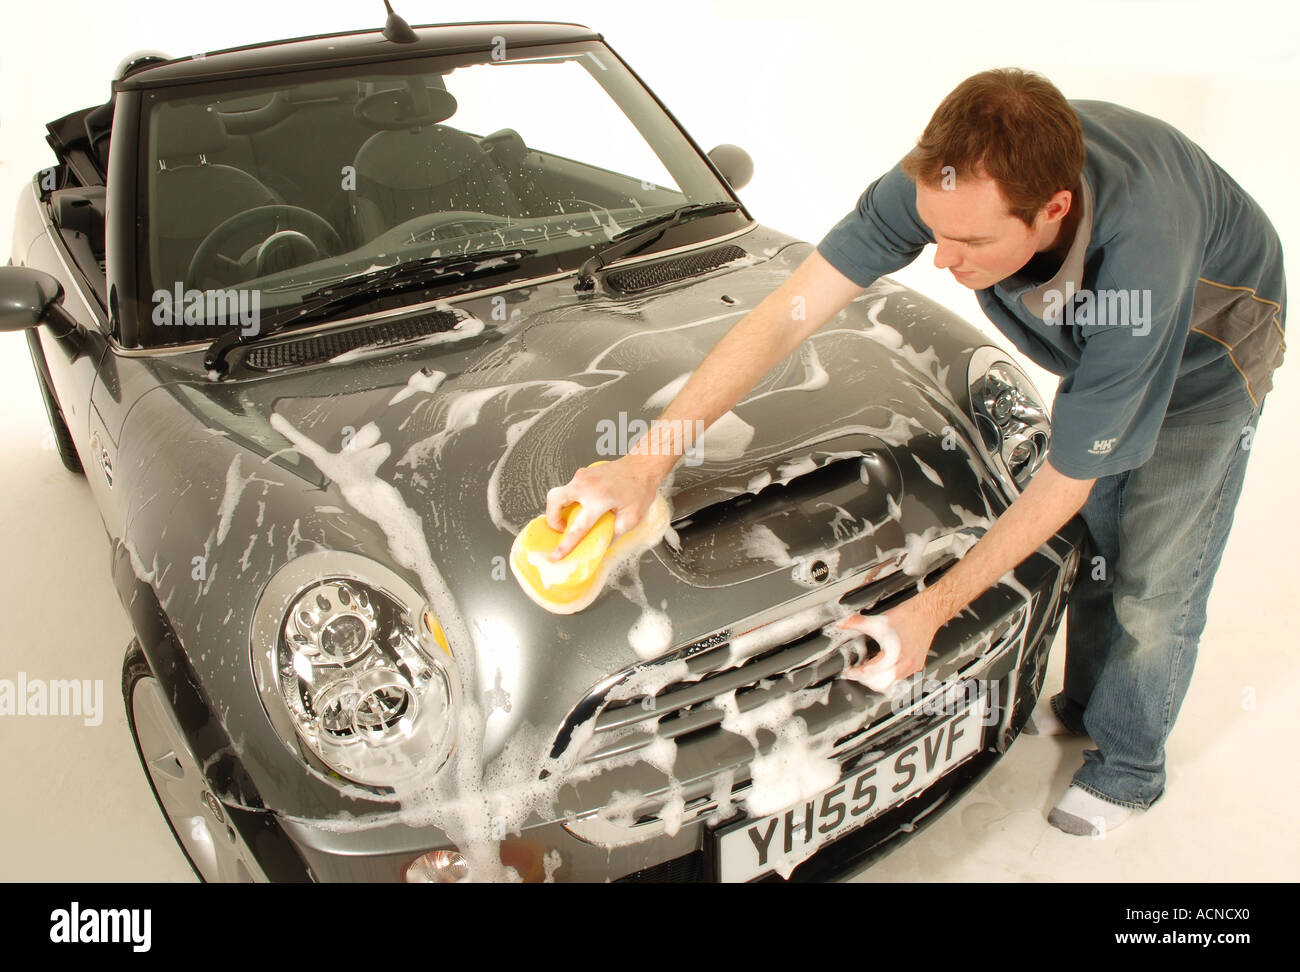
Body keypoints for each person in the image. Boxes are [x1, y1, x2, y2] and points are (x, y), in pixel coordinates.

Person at [543, 68, 1286, 837]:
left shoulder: (1142, 261)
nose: (941, 259)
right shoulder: (948, 184)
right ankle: (1085, 705)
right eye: (935, 230)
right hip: (1104, 346)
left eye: (969, 242)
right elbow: (786, 316)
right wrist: (646, 461)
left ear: (1055, 210)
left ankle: (1131, 765)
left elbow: (1067, 477)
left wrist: (931, 609)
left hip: (1210, 356)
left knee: (1155, 584)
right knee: (1099, 540)